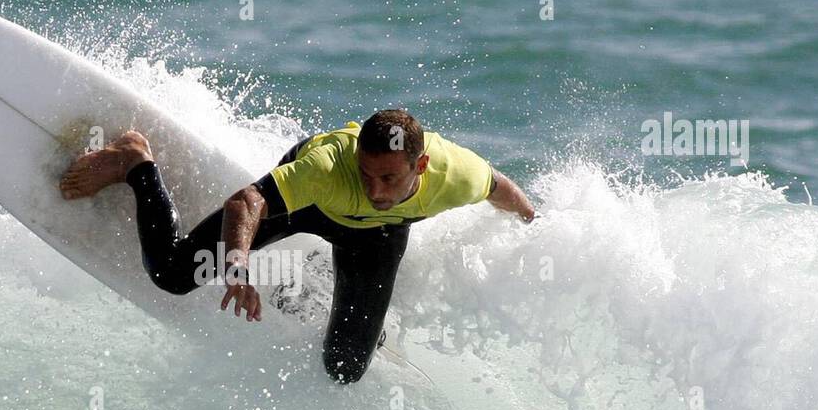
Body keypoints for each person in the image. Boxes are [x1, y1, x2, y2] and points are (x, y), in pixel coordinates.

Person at [59, 109, 536, 382]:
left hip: (378, 235)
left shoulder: (458, 176)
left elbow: (501, 188)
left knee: (345, 368)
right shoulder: (326, 169)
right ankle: (135, 162)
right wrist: (237, 267)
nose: (374, 190)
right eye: (366, 174)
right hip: (309, 206)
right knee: (171, 273)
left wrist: (532, 220)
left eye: (388, 178)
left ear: (423, 165)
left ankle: (307, 284)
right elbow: (246, 201)